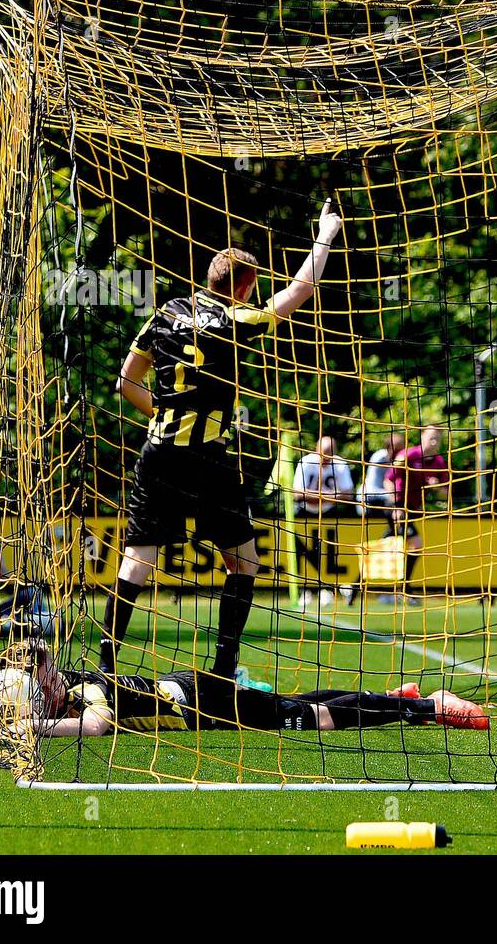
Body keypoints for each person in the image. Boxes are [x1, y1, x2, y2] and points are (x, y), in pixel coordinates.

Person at [103, 200, 343, 678]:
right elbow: (300, 290)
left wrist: (166, 414)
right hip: (208, 462)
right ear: (245, 287)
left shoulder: (166, 312)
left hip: (158, 454)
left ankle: (106, 668)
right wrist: (326, 234)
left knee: (136, 562)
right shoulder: (236, 321)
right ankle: (223, 666)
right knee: (244, 562)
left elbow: (124, 383)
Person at [0, 638, 488, 737]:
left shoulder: (87, 696)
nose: (53, 676)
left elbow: (96, 726)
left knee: (311, 720)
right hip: (196, 691)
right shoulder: (72, 684)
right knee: (301, 703)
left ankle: (427, 707)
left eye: (48, 671)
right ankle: (399, 700)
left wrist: (33, 726)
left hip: (206, 702)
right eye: (43, 675)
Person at [382, 426, 450, 605]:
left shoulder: (439, 463)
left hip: (413, 510)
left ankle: (356, 586)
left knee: (386, 545)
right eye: (431, 438)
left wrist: (435, 486)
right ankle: (405, 589)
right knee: (415, 544)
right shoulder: (408, 456)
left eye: (437, 439)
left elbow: (446, 493)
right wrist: (394, 506)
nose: (434, 442)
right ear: (422, 437)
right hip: (397, 508)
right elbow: (388, 480)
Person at [292, 435, 355, 609]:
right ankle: (305, 590)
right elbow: (297, 493)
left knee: (327, 554)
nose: (327, 458)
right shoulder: (306, 462)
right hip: (304, 513)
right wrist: (329, 497)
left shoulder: (339, 464)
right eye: (324, 453)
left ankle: (326, 588)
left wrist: (319, 497)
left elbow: (348, 495)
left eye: (331, 453)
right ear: (316, 450)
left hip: (328, 514)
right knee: (302, 552)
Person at [359, 432, 405, 517]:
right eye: (396, 451)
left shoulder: (404, 459)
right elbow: (373, 489)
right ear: (388, 449)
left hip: (392, 498)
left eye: (401, 450)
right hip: (370, 498)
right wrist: (393, 495)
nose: (399, 454)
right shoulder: (379, 459)